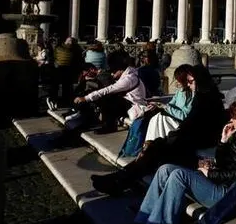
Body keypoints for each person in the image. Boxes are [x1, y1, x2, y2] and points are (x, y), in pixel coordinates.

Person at [91, 65, 226, 195]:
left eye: (191, 82)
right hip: (193, 139)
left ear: (200, 80)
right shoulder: (206, 97)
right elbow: (189, 125)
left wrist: (170, 139)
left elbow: (191, 125)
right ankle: (118, 179)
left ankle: (119, 180)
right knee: (154, 149)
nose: (189, 85)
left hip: (198, 142)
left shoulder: (206, 101)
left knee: (155, 151)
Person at [73, 50, 147, 133]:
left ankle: (109, 126)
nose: (112, 74)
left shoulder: (129, 79)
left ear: (121, 70)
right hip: (129, 105)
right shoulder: (129, 75)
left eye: (114, 71)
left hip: (134, 107)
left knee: (108, 98)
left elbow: (108, 90)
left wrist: (86, 98)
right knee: (104, 97)